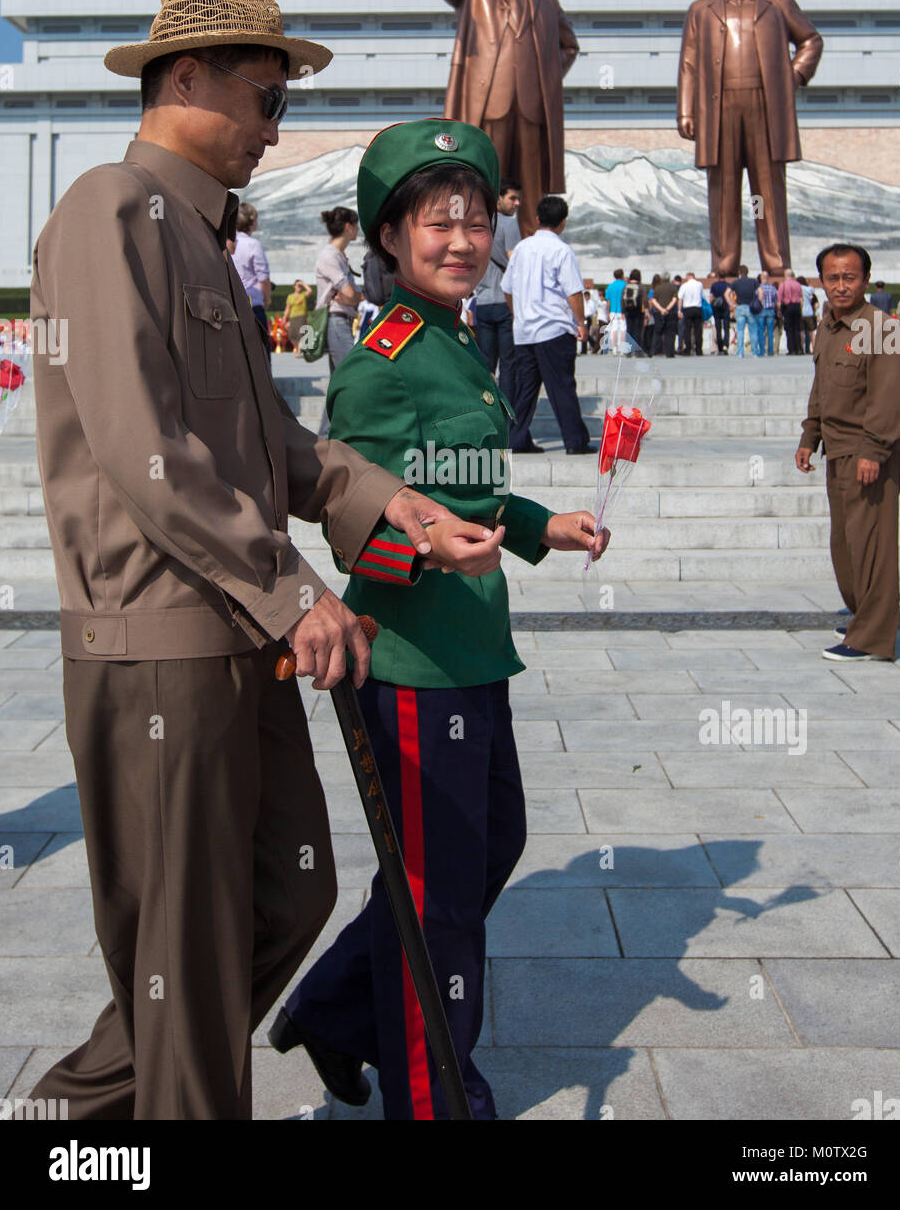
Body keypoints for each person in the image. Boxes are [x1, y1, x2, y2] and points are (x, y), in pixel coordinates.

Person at [25, 0, 464, 1121]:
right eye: (265, 100)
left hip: (242, 635)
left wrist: (392, 505)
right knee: (190, 954)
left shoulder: (205, 241)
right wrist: (290, 588)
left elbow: (265, 441)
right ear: (185, 79)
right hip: (164, 645)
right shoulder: (109, 212)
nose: (277, 129)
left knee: (289, 892)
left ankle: (81, 1119)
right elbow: (142, 445)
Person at [268, 118, 609, 1119]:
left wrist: (548, 524)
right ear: (390, 237)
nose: (464, 240)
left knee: (486, 845)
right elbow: (352, 520)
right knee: (441, 899)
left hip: (472, 648)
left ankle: (334, 1007)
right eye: (438, 224)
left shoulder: (457, 340)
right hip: (411, 659)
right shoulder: (381, 356)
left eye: (475, 221)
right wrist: (415, 546)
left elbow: (467, 488)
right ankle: (437, 1096)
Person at [417, 0, 579, 239]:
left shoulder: (547, 3)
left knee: (532, 188)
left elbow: (570, 46)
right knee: (484, 177)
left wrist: (546, 80)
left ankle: (536, 245)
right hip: (488, 101)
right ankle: (481, 241)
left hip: (533, 107)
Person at [677, 0, 823, 275]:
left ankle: (775, 261)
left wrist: (794, 76)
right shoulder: (701, 9)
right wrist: (686, 110)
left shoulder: (779, 4)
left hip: (765, 105)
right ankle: (724, 262)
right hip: (720, 107)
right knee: (724, 188)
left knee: (765, 189)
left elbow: (811, 40)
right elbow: (689, 62)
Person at [796, 244, 900, 662]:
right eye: (832, 278)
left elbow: (889, 397)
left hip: (868, 453)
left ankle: (872, 637)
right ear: (821, 281)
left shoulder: (882, 328)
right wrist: (810, 437)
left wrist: (874, 451)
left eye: (850, 277)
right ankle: (864, 615)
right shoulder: (828, 325)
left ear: (864, 280)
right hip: (838, 451)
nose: (841, 286)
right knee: (845, 545)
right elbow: (821, 389)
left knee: (872, 546)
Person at [502, 194, 594, 454]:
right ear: (562, 222)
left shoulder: (521, 248)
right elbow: (573, 292)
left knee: (525, 389)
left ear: (538, 219)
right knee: (561, 386)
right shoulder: (561, 250)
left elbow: (507, 288)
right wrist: (581, 322)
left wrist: (517, 314)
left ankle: (516, 438)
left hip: (524, 331)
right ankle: (575, 441)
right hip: (553, 328)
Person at [315, 205, 361, 437]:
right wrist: (354, 296)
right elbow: (351, 294)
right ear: (348, 227)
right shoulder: (329, 256)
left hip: (342, 320)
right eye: (356, 225)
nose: (359, 230)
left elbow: (351, 294)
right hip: (336, 320)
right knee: (349, 377)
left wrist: (352, 295)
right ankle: (328, 434)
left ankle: (327, 434)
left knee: (340, 380)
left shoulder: (338, 255)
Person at [473, 177, 521, 400]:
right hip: (504, 302)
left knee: (485, 364)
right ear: (499, 198)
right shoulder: (509, 224)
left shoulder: (478, 222)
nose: (517, 203)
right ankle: (508, 414)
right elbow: (514, 261)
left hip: (482, 302)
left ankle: (486, 405)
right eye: (512, 198)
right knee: (508, 363)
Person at [232, 200, 273, 359]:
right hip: (253, 304)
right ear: (251, 221)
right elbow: (263, 278)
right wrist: (266, 299)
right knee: (261, 353)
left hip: (233, 303)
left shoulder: (227, 241)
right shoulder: (253, 244)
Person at [727, 270, 760, 358]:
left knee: (740, 330)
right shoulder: (753, 282)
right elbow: (761, 292)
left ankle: (740, 352)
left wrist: (732, 304)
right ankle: (755, 352)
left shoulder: (736, 282)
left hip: (740, 307)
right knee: (753, 331)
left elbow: (726, 293)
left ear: (740, 273)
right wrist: (759, 302)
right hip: (750, 307)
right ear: (747, 272)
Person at [650, 270, 679, 358]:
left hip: (659, 313)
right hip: (671, 313)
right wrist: (667, 309)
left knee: (657, 332)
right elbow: (674, 300)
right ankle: (669, 352)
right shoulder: (673, 287)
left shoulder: (657, 288)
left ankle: (653, 350)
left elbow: (653, 300)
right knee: (670, 333)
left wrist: (661, 309)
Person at [677, 270, 704, 356]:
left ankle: (688, 349)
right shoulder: (699, 284)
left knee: (687, 330)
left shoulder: (684, 286)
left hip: (687, 308)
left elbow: (680, 298)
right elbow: (701, 296)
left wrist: (679, 310)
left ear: (687, 277)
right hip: (697, 307)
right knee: (698, 330)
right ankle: (699, 349)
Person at [283, 278, 312, 355]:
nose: (299, 287)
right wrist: (284, 318)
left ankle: (299, 351)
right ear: (294, 286)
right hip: (292, 317)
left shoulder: (303, 295)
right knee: (292, 335)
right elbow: (287, 308)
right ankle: (297, 348)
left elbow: (310, 291)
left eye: (300, 286)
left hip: (301, 317)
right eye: (298, 285)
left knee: (300, 334)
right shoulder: (290, 296)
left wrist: (303, 283)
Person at [778, 269, 803, 355]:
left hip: (788, 306)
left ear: (785, 275)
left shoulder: (783, 284)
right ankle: (799, 348)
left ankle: (791, 349)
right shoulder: (798, 284)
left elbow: (780, 299)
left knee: (789, 329)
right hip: (797, 306)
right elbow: (801, 298)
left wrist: (779, 311)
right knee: (797, 328)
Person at [605, 269, 627, 355]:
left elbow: (608, 301)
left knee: (613, 329)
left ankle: (614, 349)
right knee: (623, 329)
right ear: (622, 275)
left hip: (613, 310)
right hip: (622, 311)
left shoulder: (610, 286)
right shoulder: (625, 285)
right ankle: (622, 350)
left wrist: (608, 311)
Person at [757, 270, 779, 356]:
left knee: (761, 331)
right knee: (770, 332)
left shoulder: (758, 287)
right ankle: (770, 351)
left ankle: (762, 350)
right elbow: (776, 300)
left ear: (761, 278)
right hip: (770, 310)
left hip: (761, 310)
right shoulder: (772, 288)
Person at [710, 270, 731, 354]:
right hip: (725, 308)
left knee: (718, 328)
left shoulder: (714, 285)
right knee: (726, 328)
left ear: (718, 276)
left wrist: (711, 305)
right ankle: (726, 345)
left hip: (716, 308)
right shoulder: (728, 285)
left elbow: (711, 297)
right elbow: (731, 296)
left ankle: (720, 347)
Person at [623, 268, 644, 349]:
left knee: (629, 329)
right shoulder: (640, 286)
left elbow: (622, 299)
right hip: (638, 311)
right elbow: (644, 300)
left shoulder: (626, 286)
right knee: (637, 330)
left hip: (628, 310)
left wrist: (623, 311)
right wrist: (646, 310)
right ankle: (637, 349)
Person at [800, 274, 819, 354]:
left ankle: (802, 349)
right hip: (809, 313)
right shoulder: (809, 290)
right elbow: (816, 303)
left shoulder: (798, 289)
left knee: (801, 332)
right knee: (811, 333)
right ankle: (814, 349)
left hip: (801, 313)